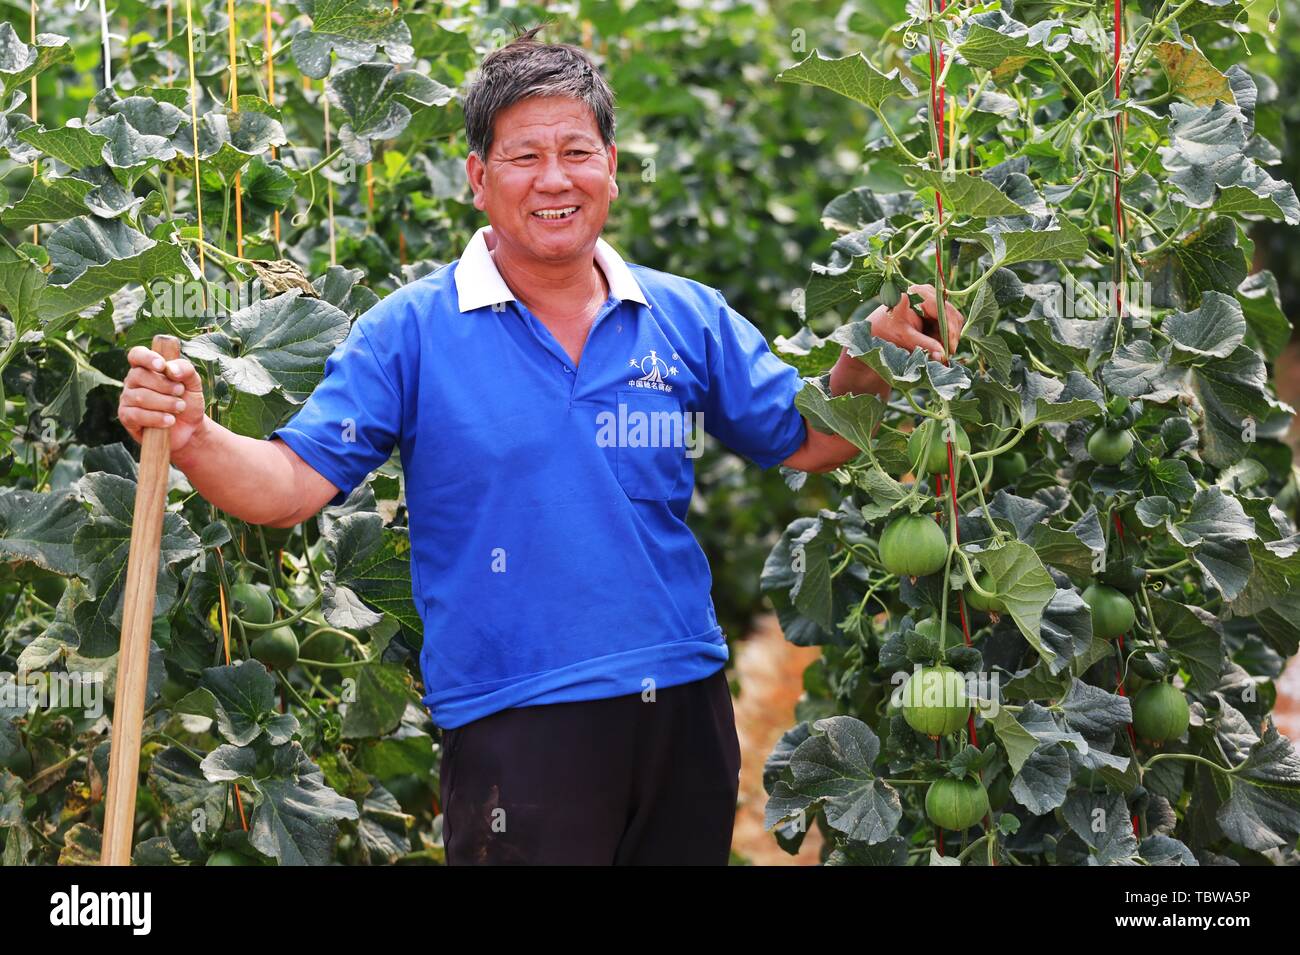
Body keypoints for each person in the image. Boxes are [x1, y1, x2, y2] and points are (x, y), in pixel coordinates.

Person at [116, 25, 963, 865]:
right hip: (513, 725)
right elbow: (291, 482)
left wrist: (876, 356)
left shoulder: (685, 315)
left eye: (576, 151)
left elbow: (809, 436)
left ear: (612, 166)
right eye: (524, 158)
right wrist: (194, 437)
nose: (554, 179)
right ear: (479, 180)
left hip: (683, 703)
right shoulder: (408, 333)